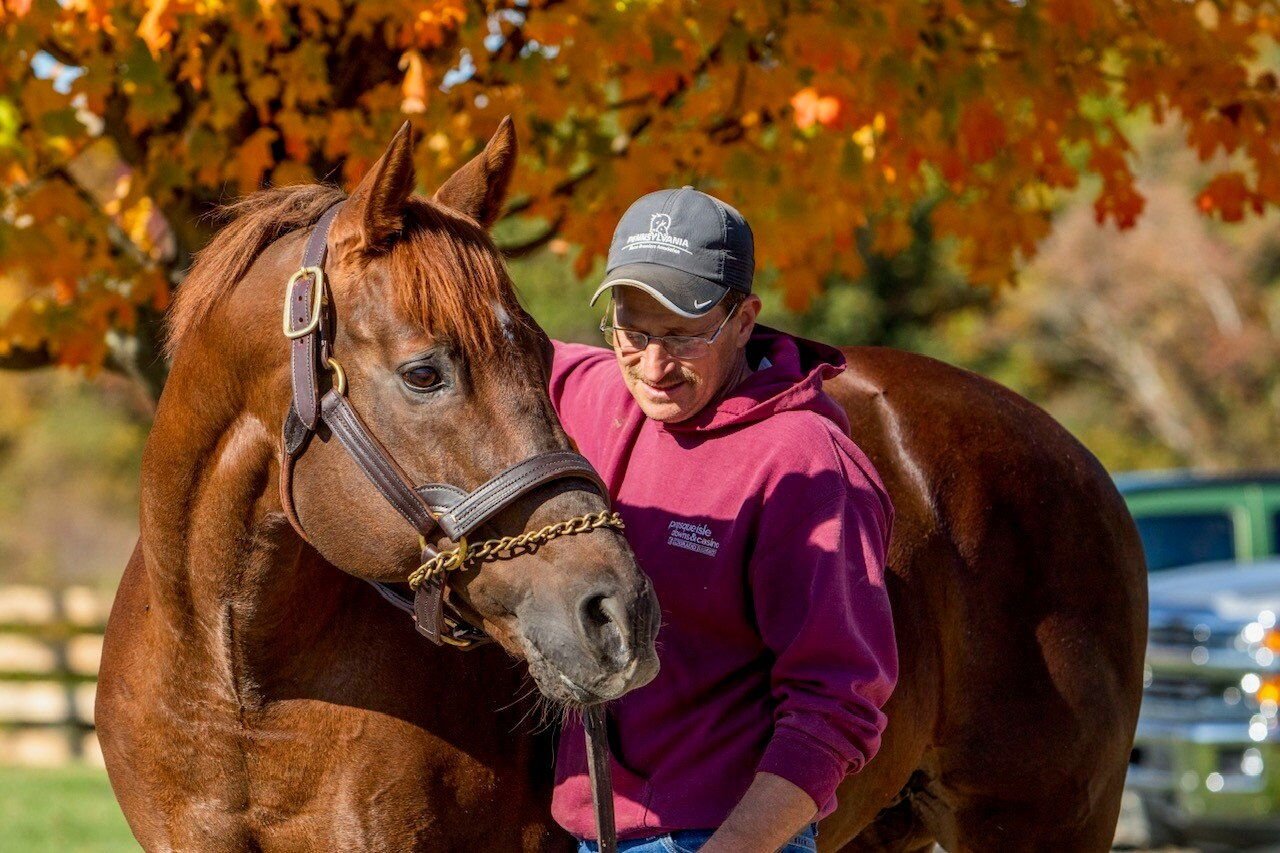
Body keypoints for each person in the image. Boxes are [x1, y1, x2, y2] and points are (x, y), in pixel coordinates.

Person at [548, 187, 898, 853]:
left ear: (743, 320)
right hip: (593, 834)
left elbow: (838, 703)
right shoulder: (599, 394)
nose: (654, 366)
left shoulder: (807, 466)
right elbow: (482, 348)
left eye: (684, 335)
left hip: (722, 835)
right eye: (633, 332)